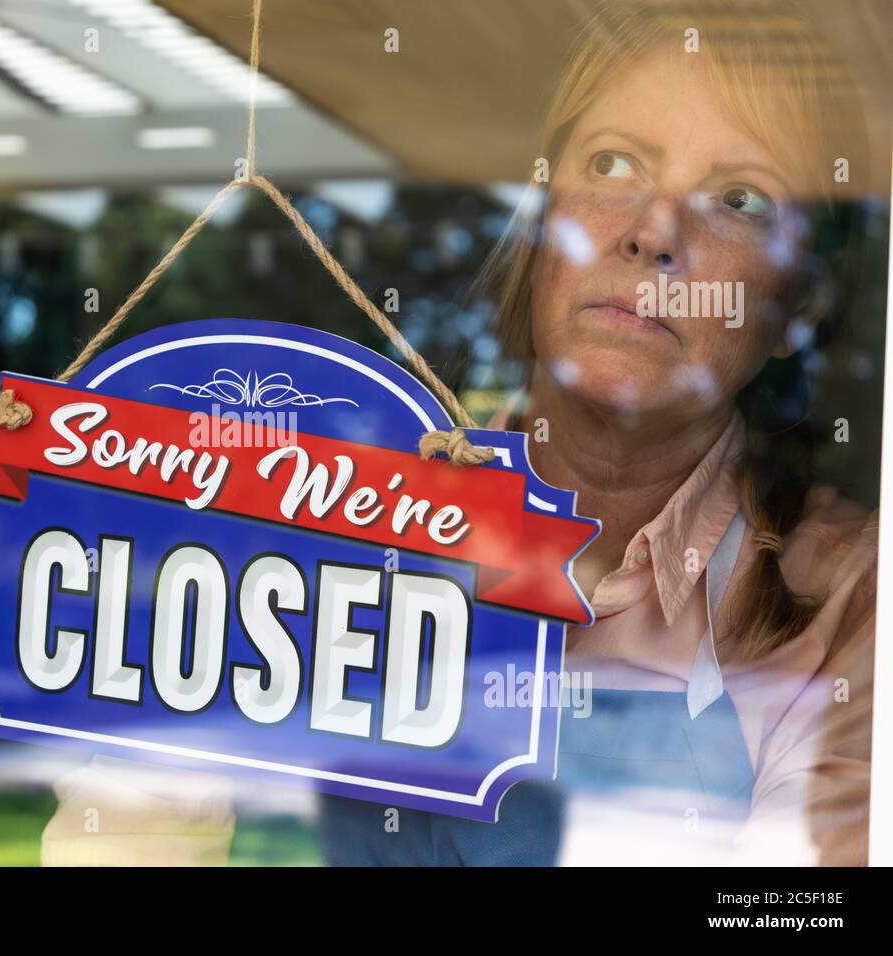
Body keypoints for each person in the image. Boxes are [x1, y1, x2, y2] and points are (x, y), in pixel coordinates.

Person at [43, 0, 882, 865]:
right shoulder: (333, 523)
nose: (652, 233)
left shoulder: (858, 597)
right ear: (543, 222)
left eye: (738, 197)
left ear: (801, 304)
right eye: (613, 162)